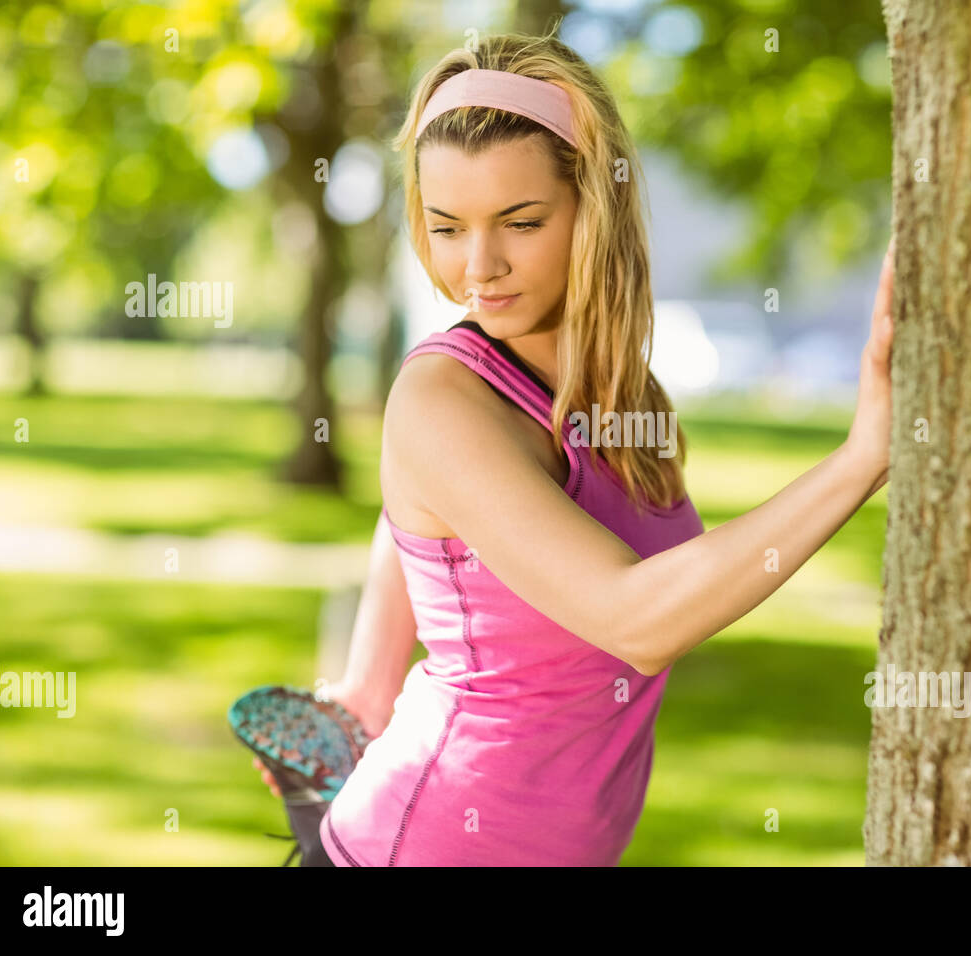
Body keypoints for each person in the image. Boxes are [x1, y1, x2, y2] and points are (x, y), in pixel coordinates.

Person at [254, 28, 896, 866]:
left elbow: (444, 513)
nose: (479, 266)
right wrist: (862, 458)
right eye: (447, 228)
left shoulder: (629, 400)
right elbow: (637, 618)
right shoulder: (443, 394)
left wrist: (371, 681)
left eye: (520, 222)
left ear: (593, 207)